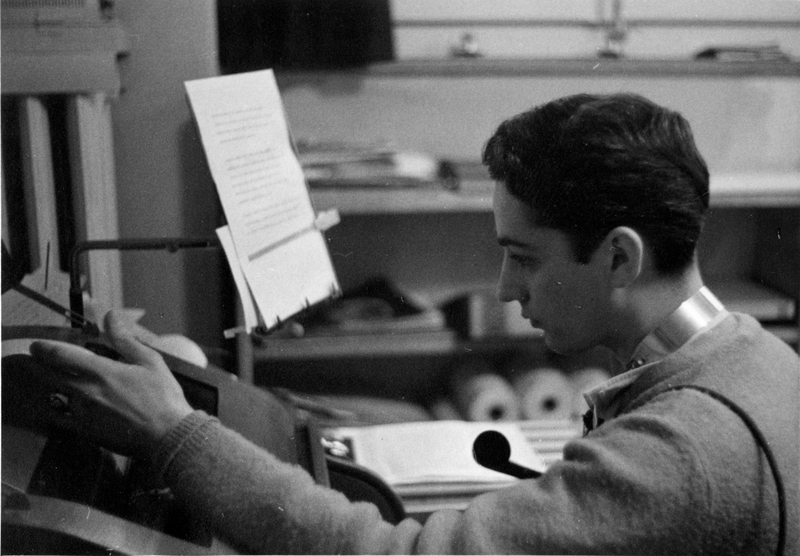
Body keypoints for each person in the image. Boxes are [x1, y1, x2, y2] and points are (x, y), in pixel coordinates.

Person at [29, 93, 798, 554]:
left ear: (621, 258)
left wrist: (171, 432)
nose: (504, 287)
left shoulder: (679, 455)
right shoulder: (754, 359)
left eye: (524, 257)